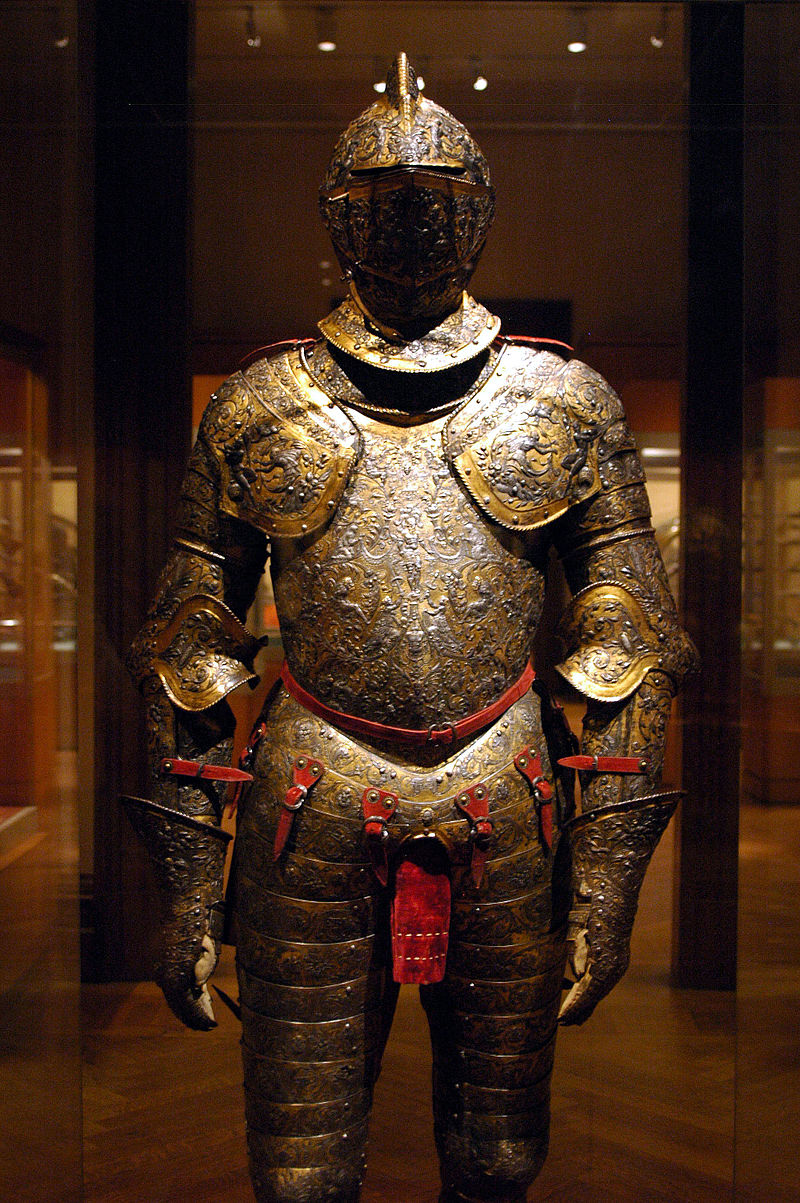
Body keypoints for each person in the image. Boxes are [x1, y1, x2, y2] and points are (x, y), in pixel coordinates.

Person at [125, 53, 696, 1203]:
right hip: (311, 793)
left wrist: (605, 885)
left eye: (434, 201)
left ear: (475, 211)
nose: (412, 222)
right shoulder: (258, 405)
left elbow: (629, 637)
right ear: (339, 217)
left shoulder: (563, 402)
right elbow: (189, 641)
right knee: (297, 1166)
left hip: (505, 786)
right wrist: (187, 895)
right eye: (386, 203)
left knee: (495, 1158)